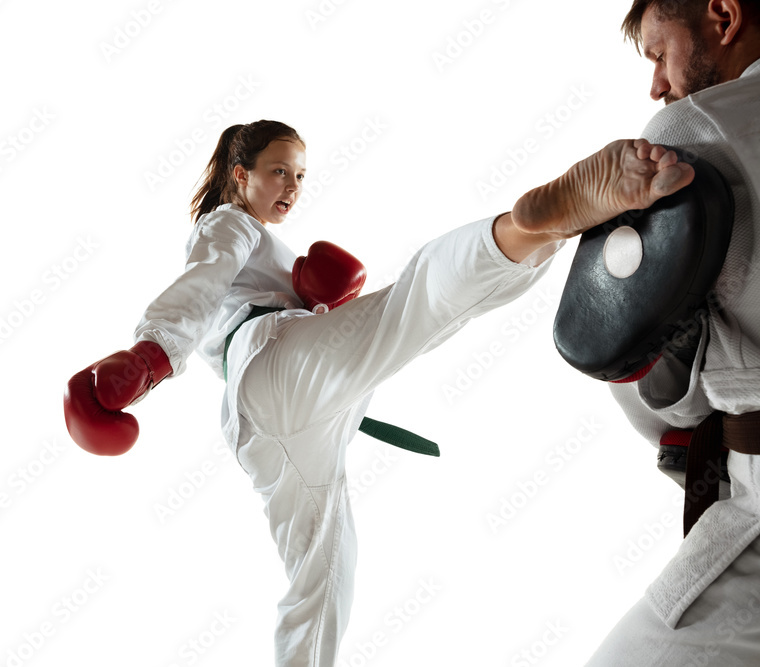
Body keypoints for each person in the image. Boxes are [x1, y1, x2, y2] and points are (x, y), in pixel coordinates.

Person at [63, 120, 694, 665]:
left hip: (274, 425)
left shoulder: (265, 249)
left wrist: (311, 297)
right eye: (278, 171)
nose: (291, 187)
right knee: (413, 303)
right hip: (276, 366)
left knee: (323, 577)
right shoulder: (231, 225)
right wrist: (149, 357)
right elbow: (203, 283)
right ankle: (532, 226)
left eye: (301, 176)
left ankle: (533, 231)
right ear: (238, 174)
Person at [585, 0, 760, 664]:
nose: (656, 84)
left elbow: (649, 388)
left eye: (659, 52)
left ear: (723, 15)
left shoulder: (693, 130)